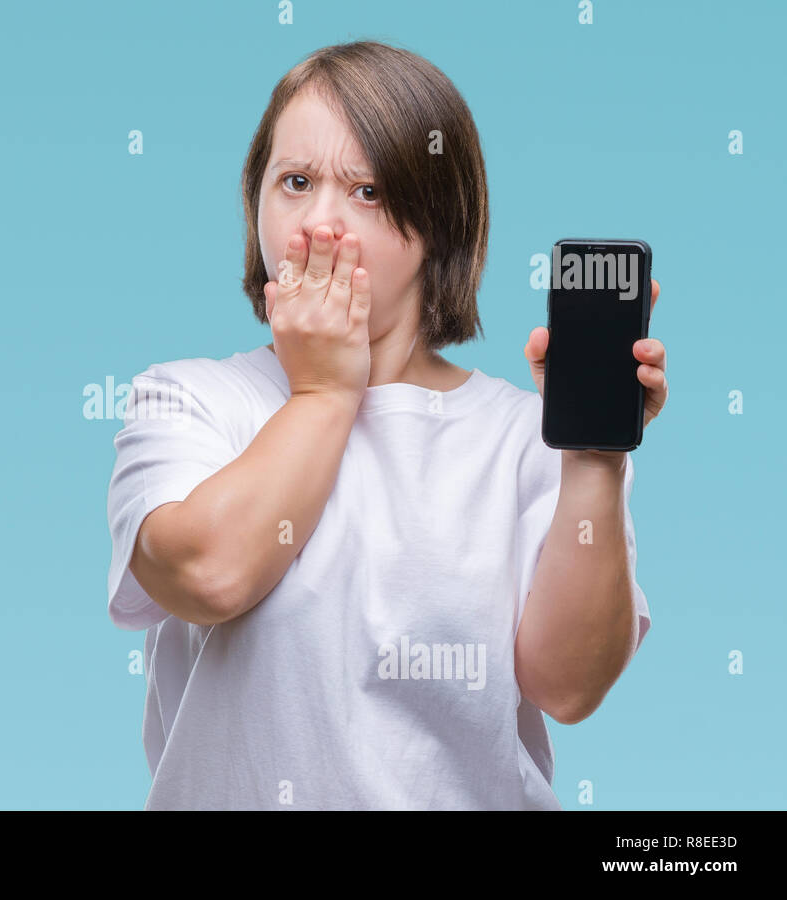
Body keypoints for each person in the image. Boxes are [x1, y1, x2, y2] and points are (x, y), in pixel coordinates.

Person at [104, 41, 669, 810]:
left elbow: (567, 686)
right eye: (294, 183)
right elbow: (209, 574)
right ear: (255, 203)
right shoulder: (187, 399)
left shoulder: (524, 440)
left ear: (437, 223)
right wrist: (326, 393)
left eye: (366, 191)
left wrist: (595, 462)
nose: (320, 223)